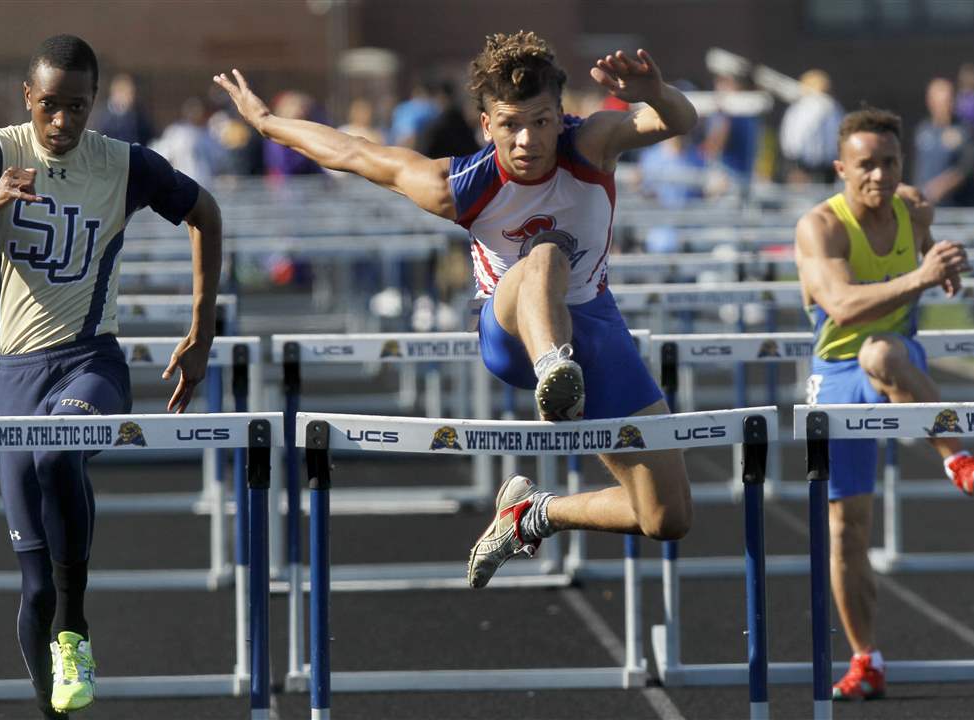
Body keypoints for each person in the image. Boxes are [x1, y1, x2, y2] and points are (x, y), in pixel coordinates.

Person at [214, 30, 697, 589]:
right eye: (511, 124)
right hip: (511, 333)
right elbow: (353, 153)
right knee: (545, 254)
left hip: (595, 325)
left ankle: (532, 514)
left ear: (560, 116)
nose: (527, 140)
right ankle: (553, 372)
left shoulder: (591, 144)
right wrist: (267, 122)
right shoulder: (459, 186)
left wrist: (656, 92)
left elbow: (678, 122)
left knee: (666, 517)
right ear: (486, 126)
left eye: (541, 122)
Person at [0, 35, 222, 717]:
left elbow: (206, 213)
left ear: (94, 102)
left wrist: (201, 328)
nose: (62, 123)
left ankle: (75, 627)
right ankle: (51, 698)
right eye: (49, 106)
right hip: (17, 377)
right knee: (32, 586)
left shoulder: (123, 163)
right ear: (28, 97)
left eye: (77, 107)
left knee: (61, 448)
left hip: (91, 363)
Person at [794, 106, 974, 701]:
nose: (879, 177)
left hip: (893, 353)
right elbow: (839, 306)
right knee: (845, 530)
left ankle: (958, 459)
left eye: (889, 163)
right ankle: (867, 659)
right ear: (841, 168)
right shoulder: (821, 227)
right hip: (834, 372)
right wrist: (921, 277)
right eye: (865, 166)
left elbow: (926, 243)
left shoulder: (913, 207)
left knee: (884, 355)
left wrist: (943, 265)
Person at [912, 78, 974, 206]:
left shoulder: (965, 131)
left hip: (954, 209)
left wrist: (941, 187)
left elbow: (967, 168)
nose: (946, 106)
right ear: (930, 101)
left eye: (949, 100)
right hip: (923, 205)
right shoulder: (923, 130)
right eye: (941, 102)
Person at [779, 69, 843, 185]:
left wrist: (795, 165)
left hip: (805, 166)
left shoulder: (807, 106)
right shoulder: (834, 107)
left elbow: (797, 137)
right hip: (828, 166)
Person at [93, 72, 154, 146]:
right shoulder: (103, 117)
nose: (131, 98)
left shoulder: (139, 115)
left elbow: (149, 137)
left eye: (132, 93)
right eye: (127, 93)